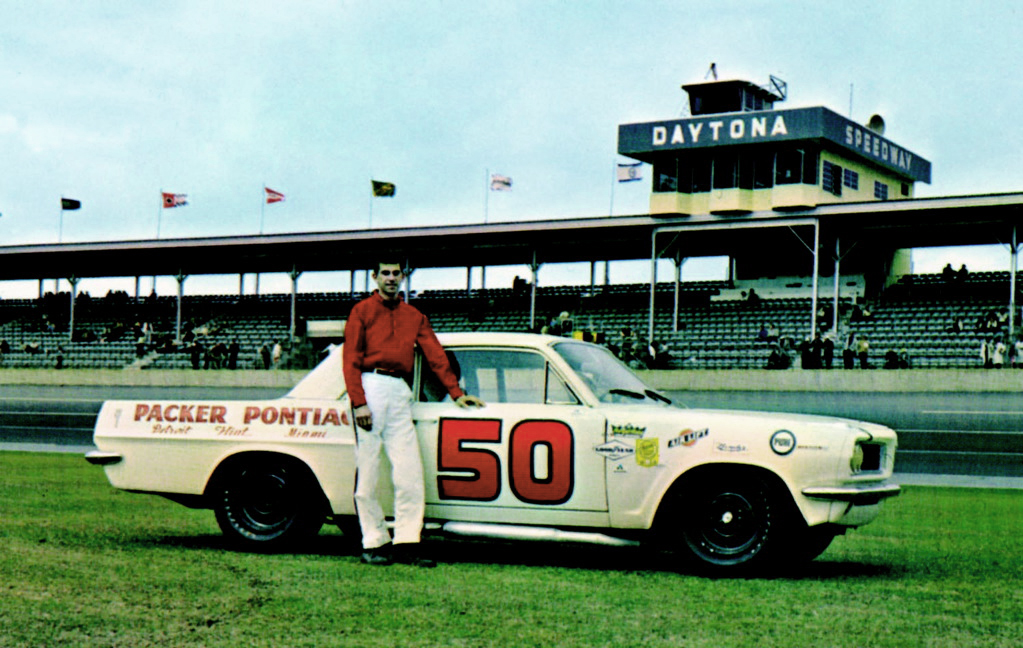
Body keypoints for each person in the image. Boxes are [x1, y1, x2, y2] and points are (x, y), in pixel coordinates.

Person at [343, 260, 485, 568]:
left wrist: (456, 393)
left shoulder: (414, 315)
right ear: (375, 276)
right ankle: (373, 541)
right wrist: (358, 402)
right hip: (371, 386)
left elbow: (435, 354)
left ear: (402, 277)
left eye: (396, 273)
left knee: (409, 473)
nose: (391, 278)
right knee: (367, 472)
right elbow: (350, 358)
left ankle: (407, 542)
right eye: (385, 273)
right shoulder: (362, 311)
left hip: (399, 391)